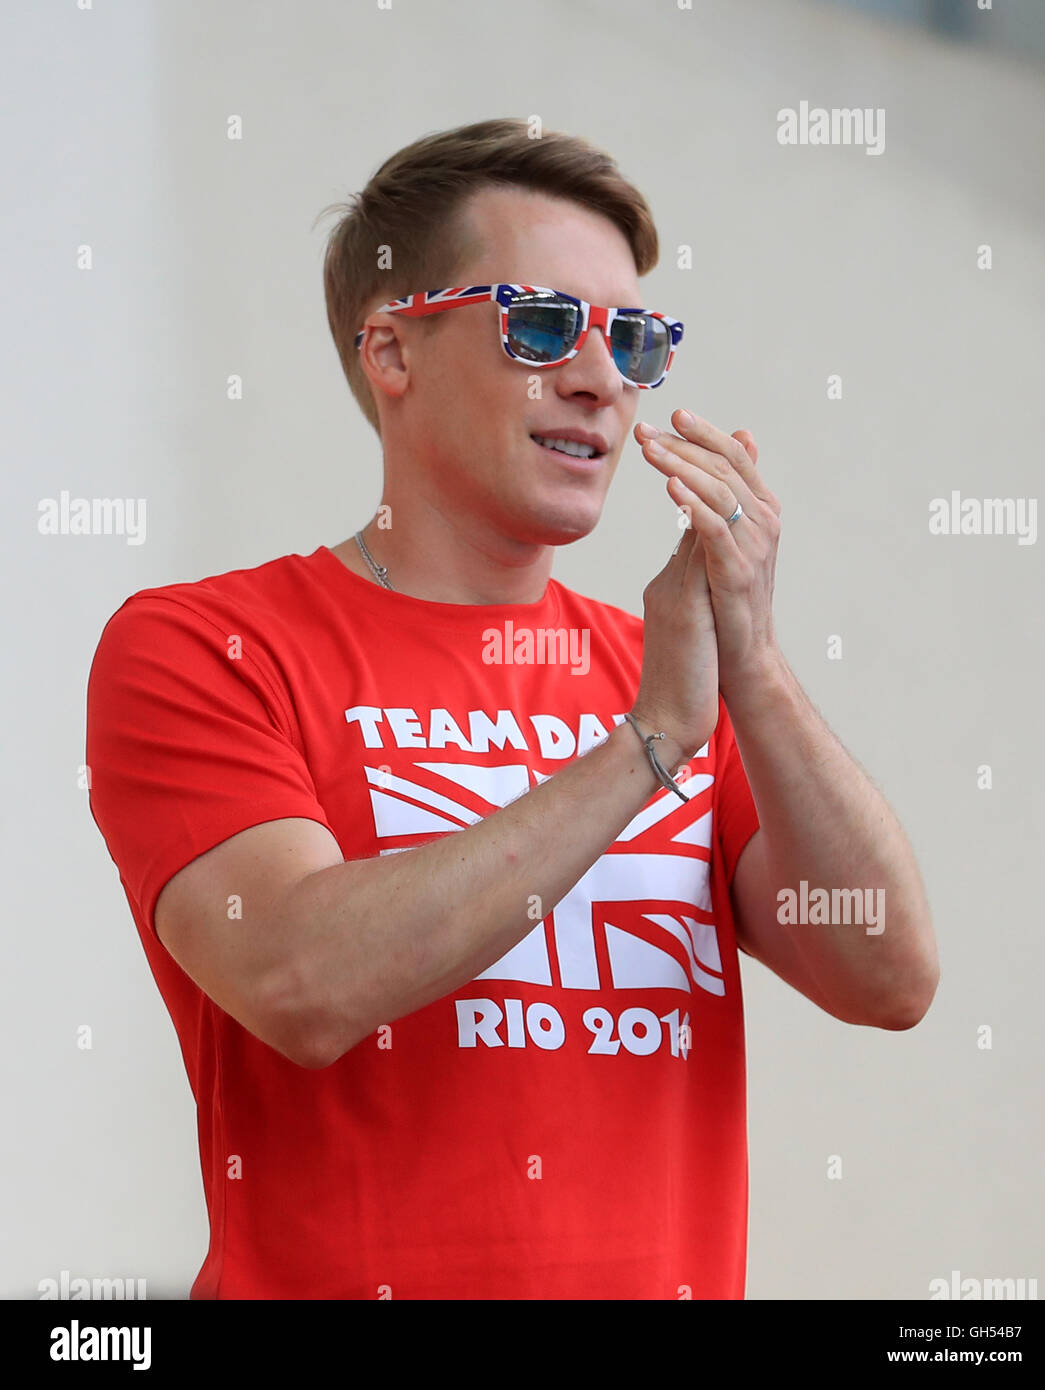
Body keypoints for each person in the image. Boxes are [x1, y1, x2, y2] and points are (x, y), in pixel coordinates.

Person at [85, 117, 938, 1300]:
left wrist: (755, 661)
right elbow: (300, 978)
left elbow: (886, 977)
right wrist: (644, 748)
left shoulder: (680, 681)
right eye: (540, 324)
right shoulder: (204, 644)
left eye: (632, 339)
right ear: (392, 350)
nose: (599, 379)